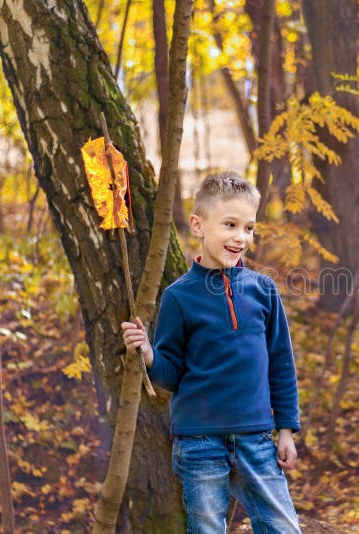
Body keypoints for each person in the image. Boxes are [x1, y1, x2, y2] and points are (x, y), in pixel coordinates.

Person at [121, 171, 302, 533]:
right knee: (206, 527)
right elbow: (170, 372)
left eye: (249, 228)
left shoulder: (263, 290)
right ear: (198, 226)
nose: (240, 237)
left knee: (283, 527)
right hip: (199, 441)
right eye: (230, 224)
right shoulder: (178, 296)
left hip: (255, 437)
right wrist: (148, 353)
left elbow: (281, 363)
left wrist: (285, 429)